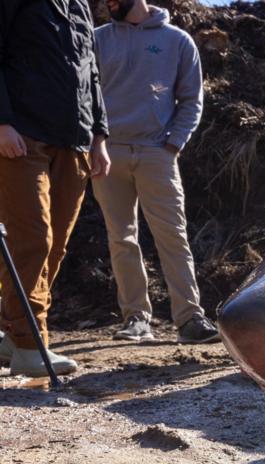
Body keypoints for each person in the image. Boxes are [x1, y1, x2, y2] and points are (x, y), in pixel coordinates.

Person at [92, 0, 219, 344]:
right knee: (121, 238)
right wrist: (94, 141)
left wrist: (173, 144)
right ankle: (136, 319)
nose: (108, 4)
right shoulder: (97, 39)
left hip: (157, 153)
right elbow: (85, 95)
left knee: (173, 235)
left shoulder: (177, 41)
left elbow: (192, 99)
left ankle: (190, 318)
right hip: (108, 152)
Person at [0, 0, 111, 377]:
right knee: (33, 237)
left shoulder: (81, 5)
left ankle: (12, 333)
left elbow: (91, 72)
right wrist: (1, 122)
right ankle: (32, 345)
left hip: (74, 139)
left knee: (56, 243)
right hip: (22, 134)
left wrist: (100, 135)